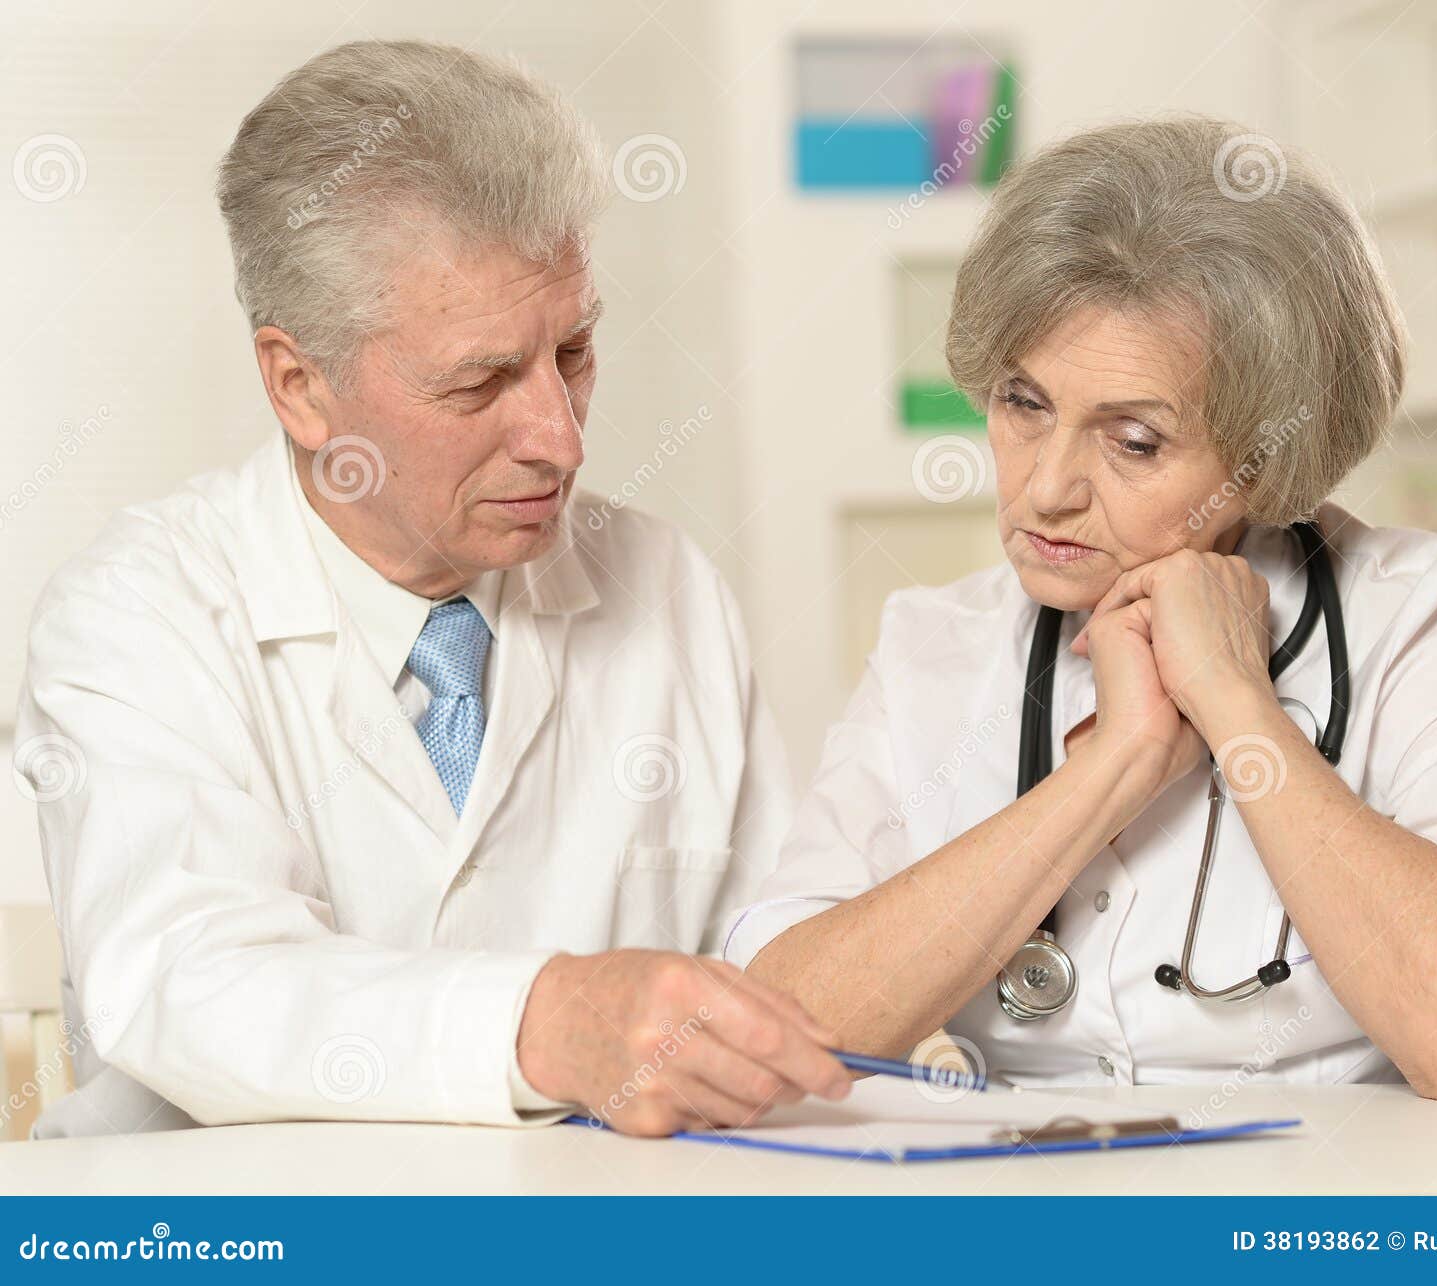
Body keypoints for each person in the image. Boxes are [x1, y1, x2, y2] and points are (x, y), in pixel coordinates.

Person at [14, 39, 848, 1140]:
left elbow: (769, 973)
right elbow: (188, 980)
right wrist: (544, 1018)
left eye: (575, 350)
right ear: (300, 386)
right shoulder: (136, 616)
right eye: (481, 380)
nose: (557, 437)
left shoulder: (669, 589)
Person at [727, 116, 1437, 1101]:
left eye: (1133, 441)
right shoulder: (937, 642)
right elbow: (774, 1025)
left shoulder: (1426, 613)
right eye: (1022, 402)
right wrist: (1114, 765)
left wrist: (1237, 709)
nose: (1046, 485)